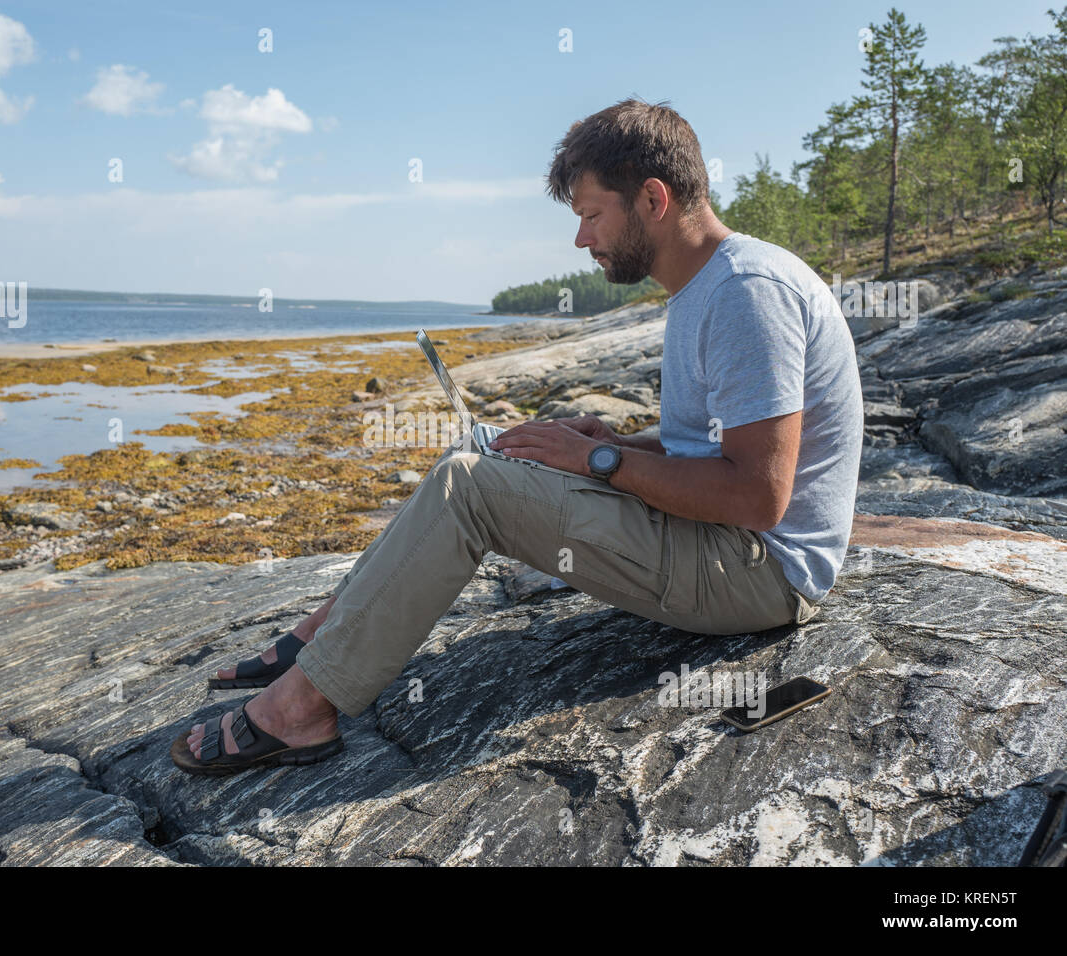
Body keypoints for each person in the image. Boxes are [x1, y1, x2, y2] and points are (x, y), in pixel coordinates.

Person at [171, 97, 863, 775]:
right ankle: (320, 637)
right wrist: (618, 442)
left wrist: (600, 459)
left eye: (592, 215)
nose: (582, 239)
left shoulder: (747, 292)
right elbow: (713, 446)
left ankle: (300, 712)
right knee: (485, 448)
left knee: (472, 491)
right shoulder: (704, 287)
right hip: (720, 547)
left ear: (653, 199)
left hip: (761, 576)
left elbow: (756, 495)